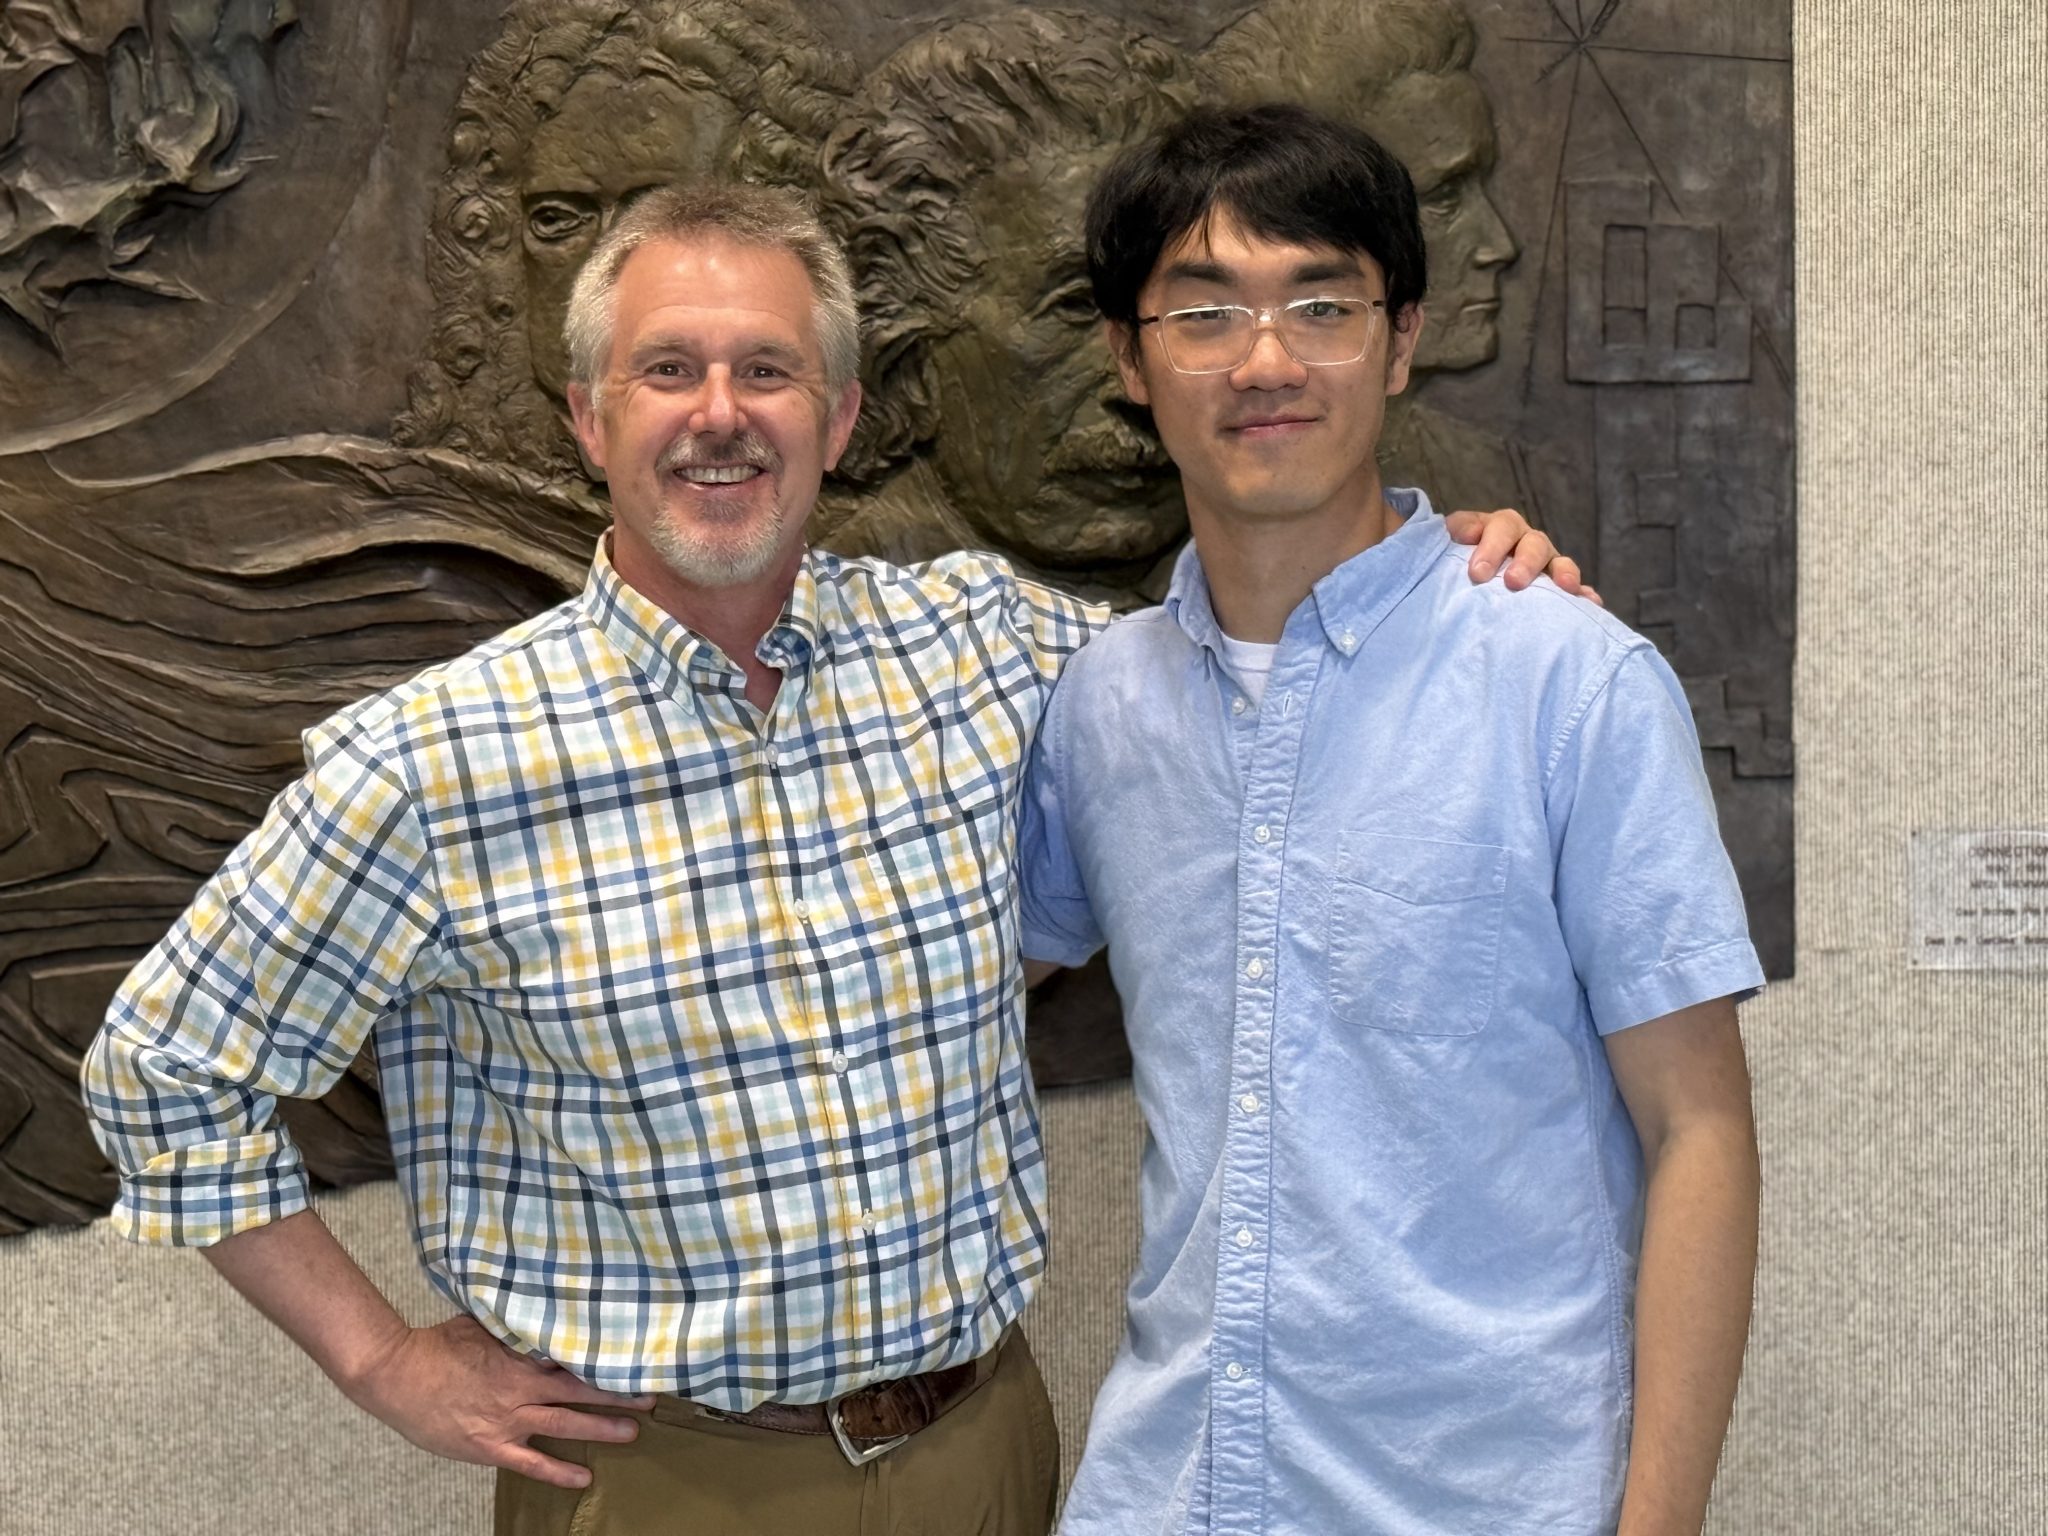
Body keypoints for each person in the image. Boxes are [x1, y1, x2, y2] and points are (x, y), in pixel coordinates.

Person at [81, 182, 1575, 1534]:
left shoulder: (978, 647)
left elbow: (1233, 660)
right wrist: (384, 1359)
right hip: (670, 1484)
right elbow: (161, 1071)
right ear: (591, 419)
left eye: (769, 370)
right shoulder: (433, 765)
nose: (719, 412)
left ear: (840, 420)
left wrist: (1433, 562)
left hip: (984, 1445)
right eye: (669, 368)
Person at [1022, 104, 1763, 1536]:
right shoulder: (1101, 709)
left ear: (1402, 336)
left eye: (1321, 304)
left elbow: (1700, 1133)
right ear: (1129, 357)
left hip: (1482, 1497)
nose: (1266, 362)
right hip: (1171, 1489)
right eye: (1202, 312)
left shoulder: (1566, 676)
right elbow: (951, 983)